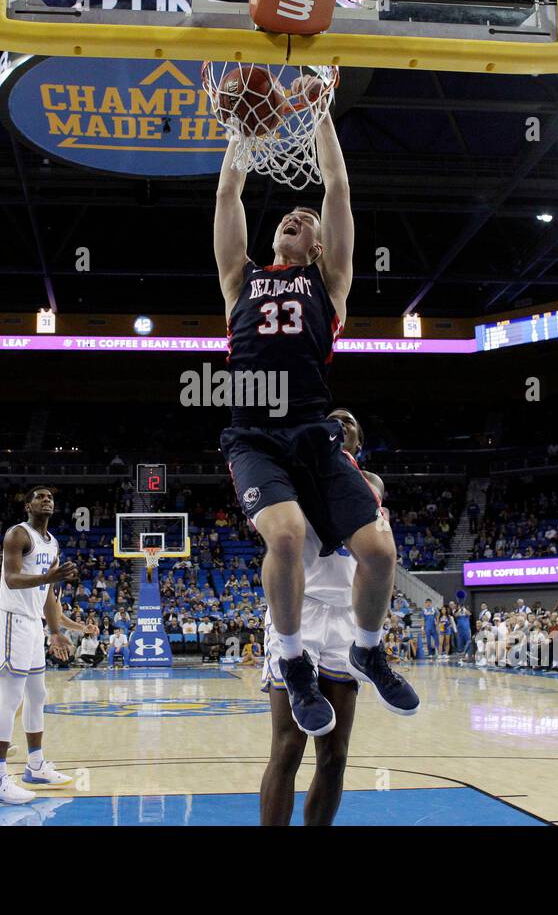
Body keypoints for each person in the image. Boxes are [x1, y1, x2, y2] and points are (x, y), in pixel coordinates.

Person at [214, 97, 414, 736]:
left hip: (312, 430)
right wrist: (239, 138)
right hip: (253, 435)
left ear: (324, 245)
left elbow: (337, 187)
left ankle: (368, 646)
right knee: (289, 537)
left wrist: (322, 107)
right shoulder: (238, 278)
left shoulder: (330, 286)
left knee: (379, 551)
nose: (298, 217)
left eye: (308, 219)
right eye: (290, 217)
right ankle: (294, 660)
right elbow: (227, 197)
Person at [261, 409, 380, 826]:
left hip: (346, 615)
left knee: (335, 755)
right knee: (289, 745)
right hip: (299, 610)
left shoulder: (370, 485)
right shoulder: (291, 476)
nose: (340, 423)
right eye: (333, 419)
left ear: (359, 443)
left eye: (350, 420)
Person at [0, 487, 95, 805]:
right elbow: (12, 578)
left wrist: (55, 632)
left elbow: (48, 597)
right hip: (11, 620)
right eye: (39, 496)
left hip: (32, 625)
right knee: (11, 697)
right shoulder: (18, 534)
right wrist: (49, 576)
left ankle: (36, 766)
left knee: (37, 695)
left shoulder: (52, 543)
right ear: (28, 505)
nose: (47, 500)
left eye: (51, 498)